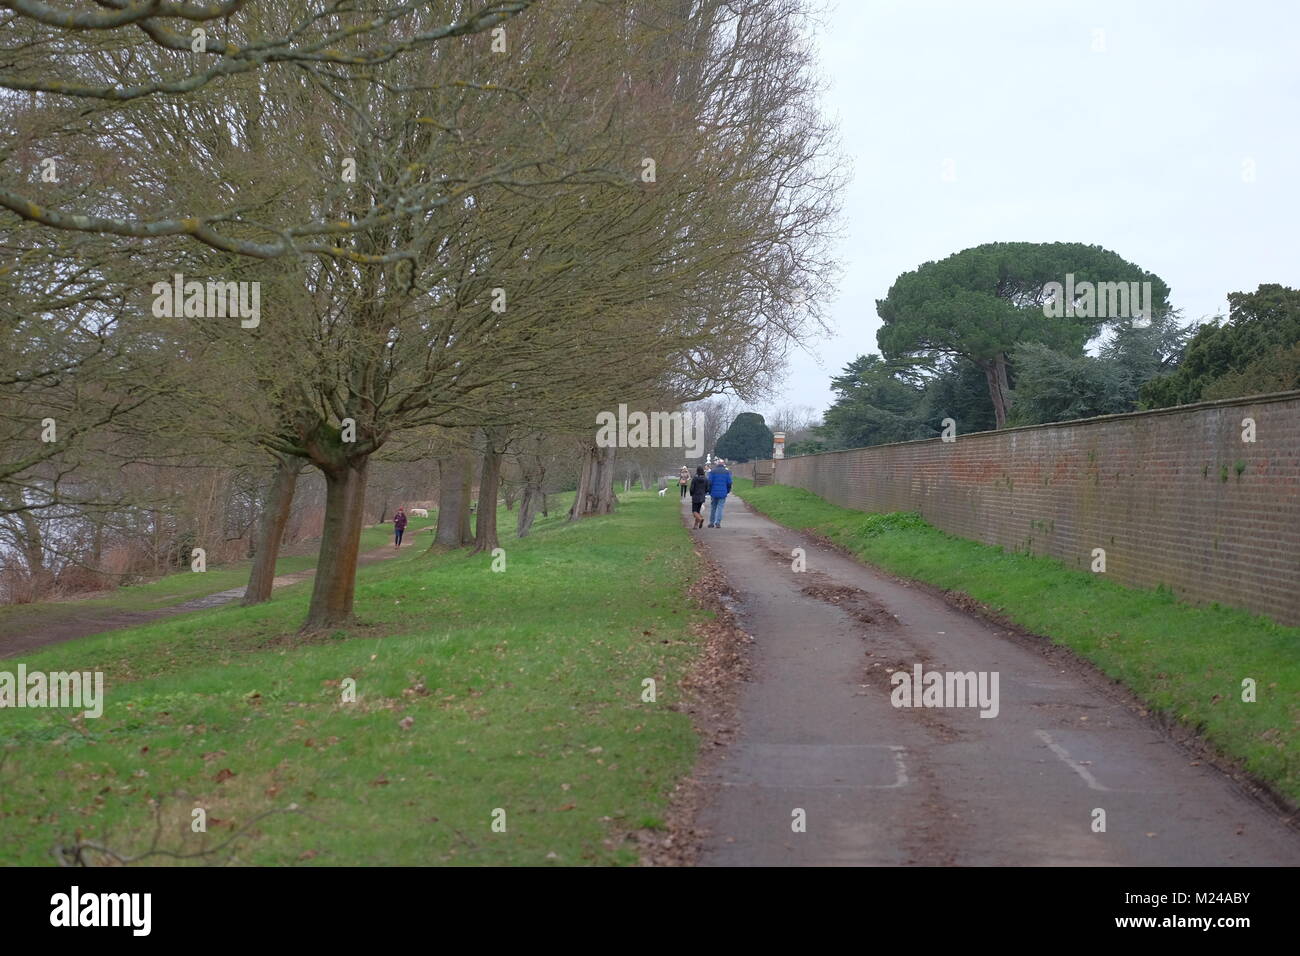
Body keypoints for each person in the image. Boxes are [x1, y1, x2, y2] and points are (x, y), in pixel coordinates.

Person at [707, 458, 732, 528]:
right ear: (723, 464)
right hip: (723, 492)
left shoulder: (712, 471)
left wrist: (709, 491)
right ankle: (718, 522)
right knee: (720, 507)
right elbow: (729, 483)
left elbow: (709, 482)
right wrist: (728, 490)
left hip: (714, 492)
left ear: (717, 464)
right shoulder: (727, 472)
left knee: (713, 508)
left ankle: (711, 522)